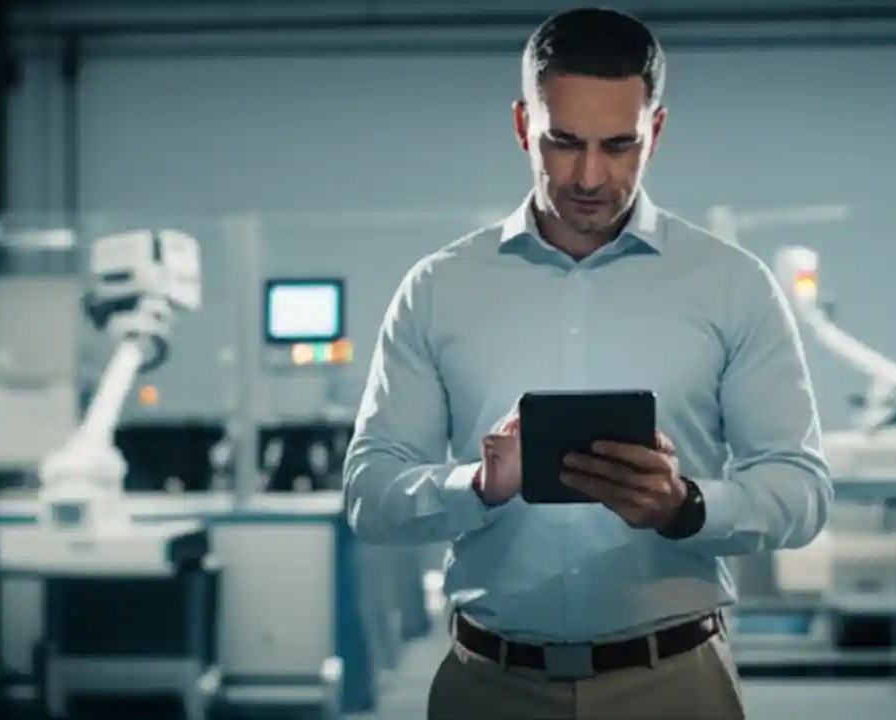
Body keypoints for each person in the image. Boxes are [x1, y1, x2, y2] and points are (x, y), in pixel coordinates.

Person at [342, 7, 832, 719]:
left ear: (655, 132)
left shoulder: (731, 284)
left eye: (620, 145)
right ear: (522, 127)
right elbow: (370, 491)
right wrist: (474, 485)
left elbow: (801, 489)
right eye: (563, 142)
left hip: (675, 685)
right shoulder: (438, 289)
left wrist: (685, 505)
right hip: (489, 685)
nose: (591, 176)